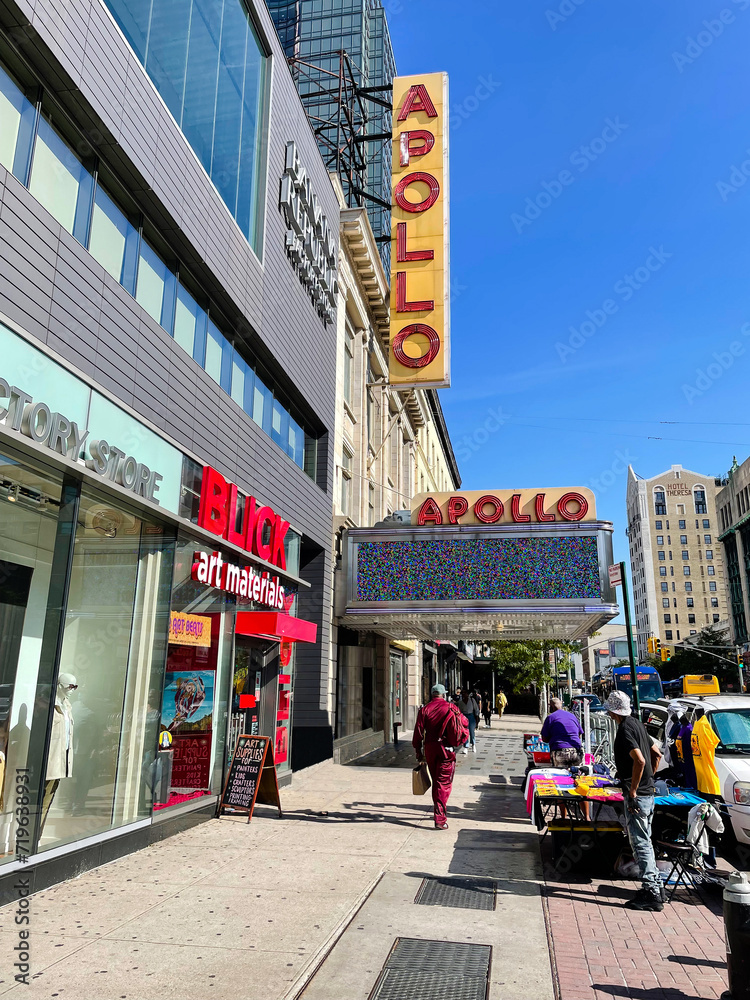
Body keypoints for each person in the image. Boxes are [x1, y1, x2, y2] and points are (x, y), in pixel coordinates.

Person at [605, 690, 663, 912]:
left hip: (638, 795)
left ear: (612, 711)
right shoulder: (637, 724)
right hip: (648, 792)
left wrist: (634, 790)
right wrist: (650, 778)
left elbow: (639, 760)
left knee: (640, 843)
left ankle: (651, 892)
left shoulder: (625, 729)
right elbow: (655, 754)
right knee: (645, 840)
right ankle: (655, 885)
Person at [413, 684, 469, 830]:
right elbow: (464, 723)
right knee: (443, 784)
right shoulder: (451, 708)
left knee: (437, 781)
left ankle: (439, 812)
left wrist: (419, 752)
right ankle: (440, 818)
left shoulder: (424, 710)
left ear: (432, 694)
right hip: (446, 749)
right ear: (443, 694)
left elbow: (418, 733)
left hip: (430, 749)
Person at [540, 697, 584, 767]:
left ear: (551, 707)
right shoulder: (572, 716)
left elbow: (544, 738)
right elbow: (579, 735)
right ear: (561, 704)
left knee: (560, 775)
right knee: (576, 775)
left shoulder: (550, 718)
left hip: (559, 750)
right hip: (576, 750)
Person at [457, 687, 480, 753]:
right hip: (464, 717)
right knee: (465, 732)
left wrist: (477, 717)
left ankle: (473, 744)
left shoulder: (472, 700)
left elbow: (476, 709)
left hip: (471, 716)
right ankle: (466, 746)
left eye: (465, 693)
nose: (464, 695)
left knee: (472, 731)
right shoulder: (460, 702)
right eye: (463, 693)